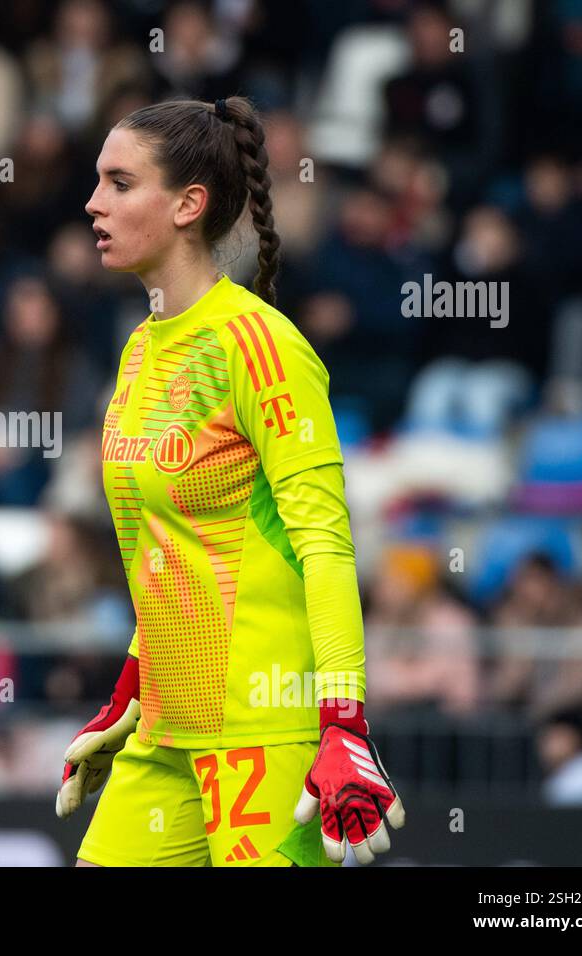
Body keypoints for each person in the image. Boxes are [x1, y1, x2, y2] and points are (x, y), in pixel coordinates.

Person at [57, 96, 405, 868]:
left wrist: (343, 722)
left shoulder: (264, 346)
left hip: (265, 728)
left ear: (188, 205)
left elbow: (326, 543)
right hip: (164, 728)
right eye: (97, 181)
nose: (93, 203)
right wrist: (131, 683)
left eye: (119, 182)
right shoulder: (139, 352)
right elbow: (167, 547)